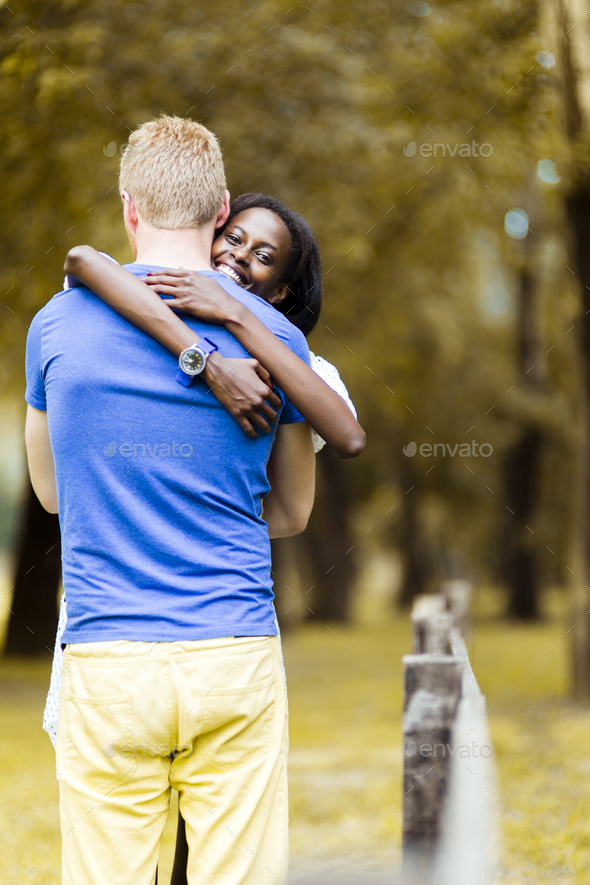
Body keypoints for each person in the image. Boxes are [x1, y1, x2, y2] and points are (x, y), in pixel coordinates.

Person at [25, 115, 322, 885]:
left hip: (108, 657)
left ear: (130, 208)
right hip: (233, 651)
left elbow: (52, 493)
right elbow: (292, 512)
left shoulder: (54, 326)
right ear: (221, 209)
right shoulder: (275, 338)